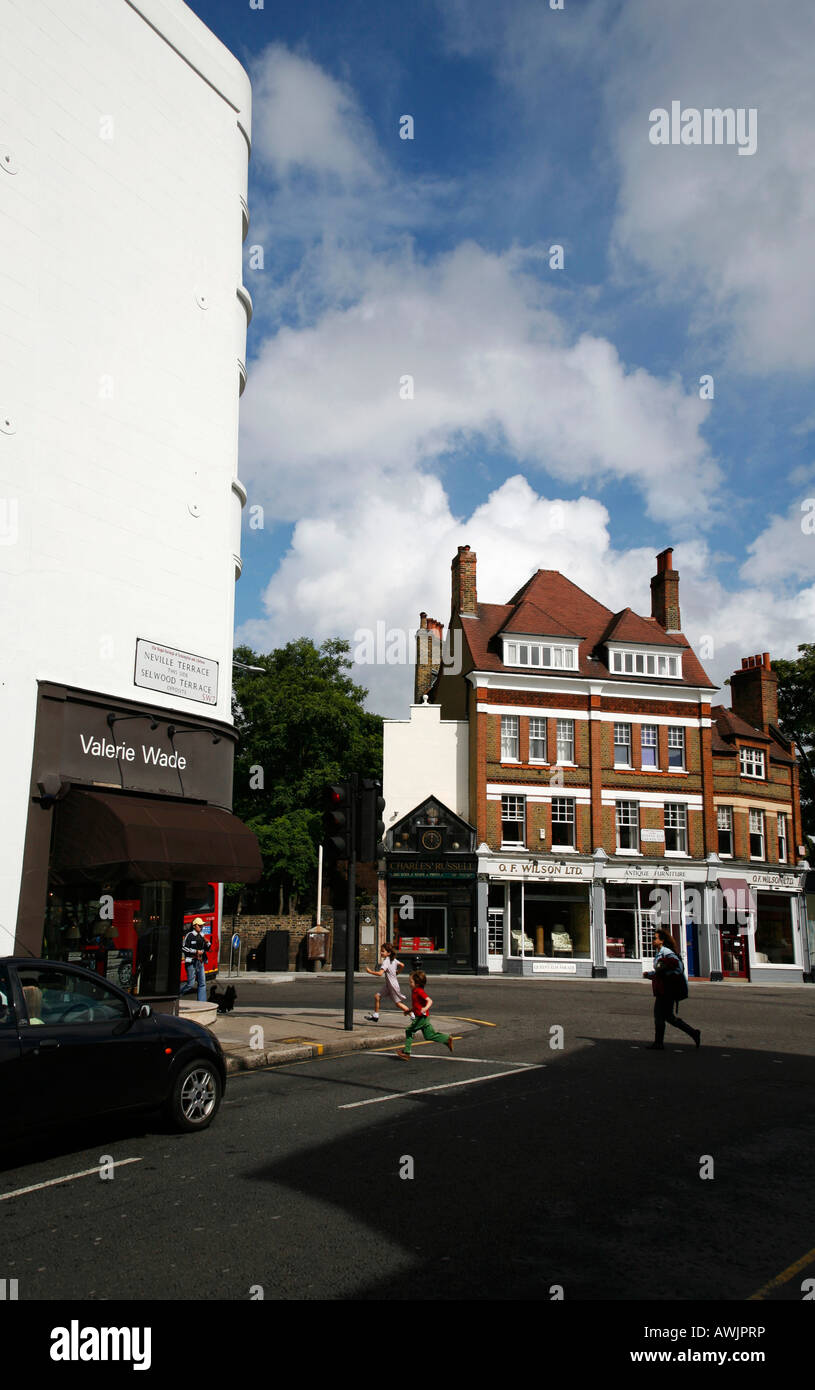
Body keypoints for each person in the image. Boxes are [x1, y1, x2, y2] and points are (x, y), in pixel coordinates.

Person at [644, 927, 701, 1050]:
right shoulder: (660, 952)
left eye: (655, 938)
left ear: (662, 941)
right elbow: (660, 971)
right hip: (663, 989)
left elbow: (678, 968)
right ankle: (693, 1033)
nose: (653, 940)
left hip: (667, 990)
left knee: (659, 1015)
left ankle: (659, 1043)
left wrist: (663, 972)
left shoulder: (667, 953)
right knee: (668, 1017)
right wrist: (650, 975)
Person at [396, 970, 453, 1060]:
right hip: (423, 1017)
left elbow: (430, 1001)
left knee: (409, 1031)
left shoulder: (419, 991)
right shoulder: (414, 991)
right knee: (429, 1036)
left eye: (411, 982)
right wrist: (409, 1011)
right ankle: (446, 1039)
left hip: (421, 1017)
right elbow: (416, 1006)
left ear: (417, 983)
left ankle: (406, 1052)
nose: (409, 984)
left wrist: (425, 1008)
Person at [364, 942, 410, 1022]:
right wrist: (398, 972)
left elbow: (380, 973)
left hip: (392, 985)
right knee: (377, 996)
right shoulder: (393, 960)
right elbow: (402, 965)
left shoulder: (386, 961)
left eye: (383, 951)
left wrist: (370, 972)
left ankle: (413, 1016)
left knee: (398, 1003)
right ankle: (376, 1016)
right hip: (389, 985)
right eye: (381, 951)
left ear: (388, 953)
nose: (381, 952)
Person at [181, 916, 209, 1001]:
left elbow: (207, 948)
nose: (201, 927)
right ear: (194, 926)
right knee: (190, 984)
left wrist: (207, 942)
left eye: (202, 925)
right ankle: (177, 995)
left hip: (200, 962)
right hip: (191, 962)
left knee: (202, 983)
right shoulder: (189, 936)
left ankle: (202, 1003)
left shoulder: (202, 936)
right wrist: (196, 952)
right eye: (199, 925)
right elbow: (183, 948)